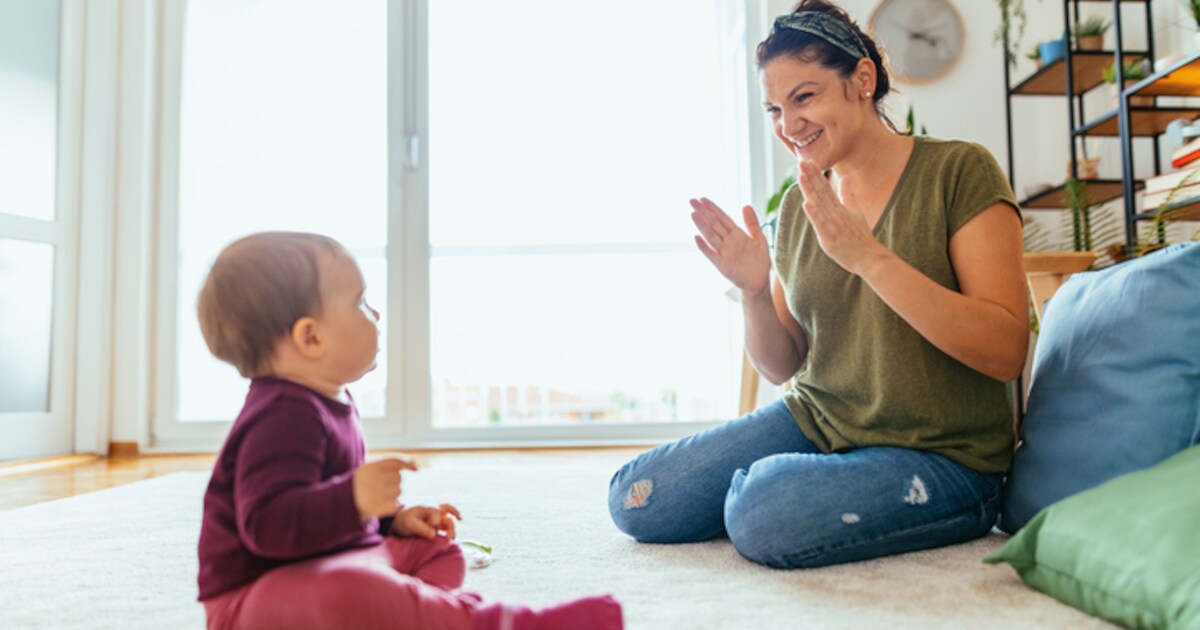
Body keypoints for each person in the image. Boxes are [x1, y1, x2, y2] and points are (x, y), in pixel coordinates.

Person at [608, 0, 1028, 569]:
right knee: (638, 498)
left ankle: (772, 496)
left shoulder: (959, 171)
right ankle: (783, 492)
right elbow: (783, 364)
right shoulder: (801, 205)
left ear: (862, 79)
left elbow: (1005, 351)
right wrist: (755, 293)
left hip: (945, 457)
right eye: (775, 109)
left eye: (804, 98)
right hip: (820, 421)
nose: (788, 126)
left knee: (763, 510)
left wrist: (870, 258)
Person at [196, 231, 623, 629]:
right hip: (254, 599)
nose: (376, 314)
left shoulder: (329, 401)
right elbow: (269, 527)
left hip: (326, 564)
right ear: (311, 338)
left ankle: (408, 611)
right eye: (361, 303)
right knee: (350, 591)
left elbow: (324, 518)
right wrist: (354, 498)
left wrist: (390, 523)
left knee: (439, 552)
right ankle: (500, 621)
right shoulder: (281, 416)